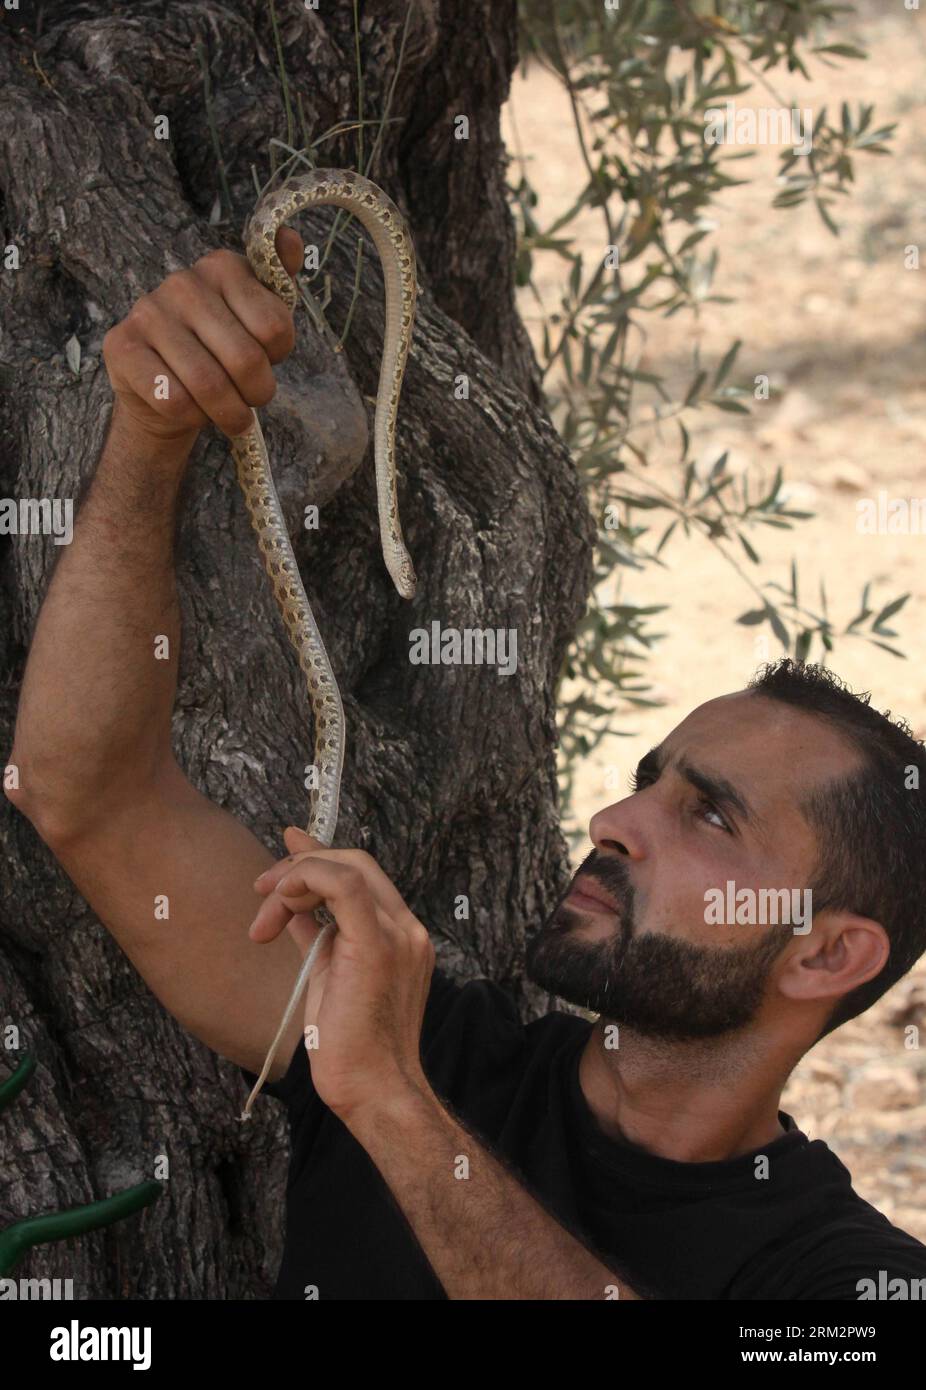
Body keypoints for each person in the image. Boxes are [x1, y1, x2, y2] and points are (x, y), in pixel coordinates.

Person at [7, 232, 926, 1301]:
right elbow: (87, 792)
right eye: (648, 780)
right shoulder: (423, 1044)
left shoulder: (842, 1279)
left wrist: (391, 1106)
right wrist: (153, 433)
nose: (615, 819)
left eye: (710, 818)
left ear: (824, 956)